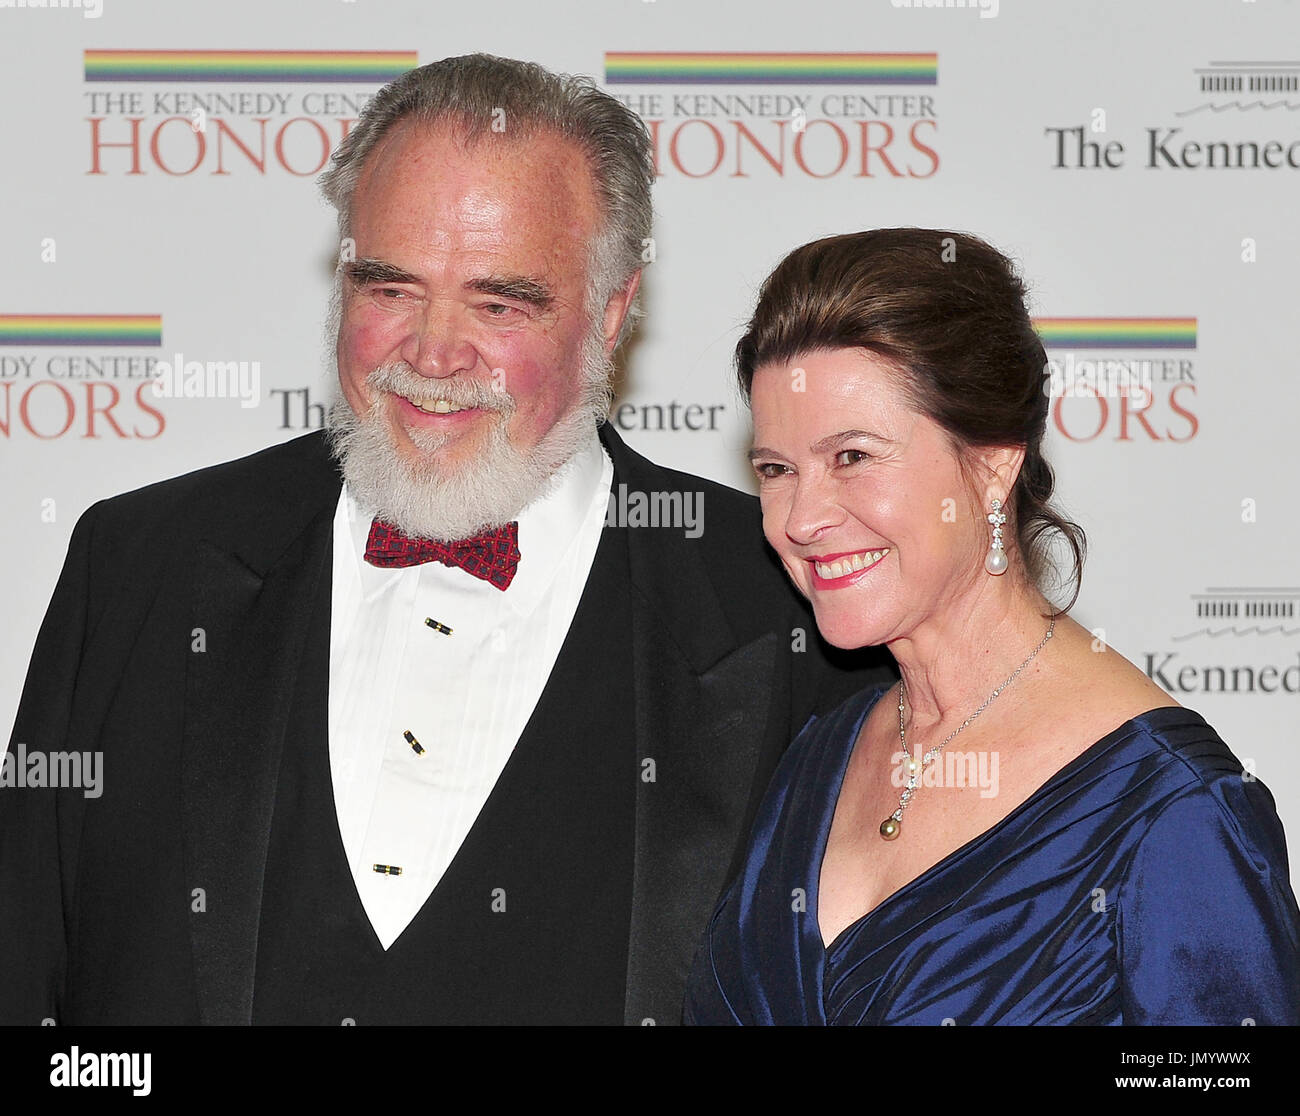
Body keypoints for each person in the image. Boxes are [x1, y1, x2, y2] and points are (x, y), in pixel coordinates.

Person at [0, 55, 893, 1026]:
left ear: (612, 314)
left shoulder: (793, 612)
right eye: (389, 289)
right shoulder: (139, 563)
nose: (430, 353)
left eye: (498, 303)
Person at [685, 228, 1300, 1025]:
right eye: (776, 470)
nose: (801, 518)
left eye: (853, 458)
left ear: (993, 463)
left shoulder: (1175, 813)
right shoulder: (818, 753)